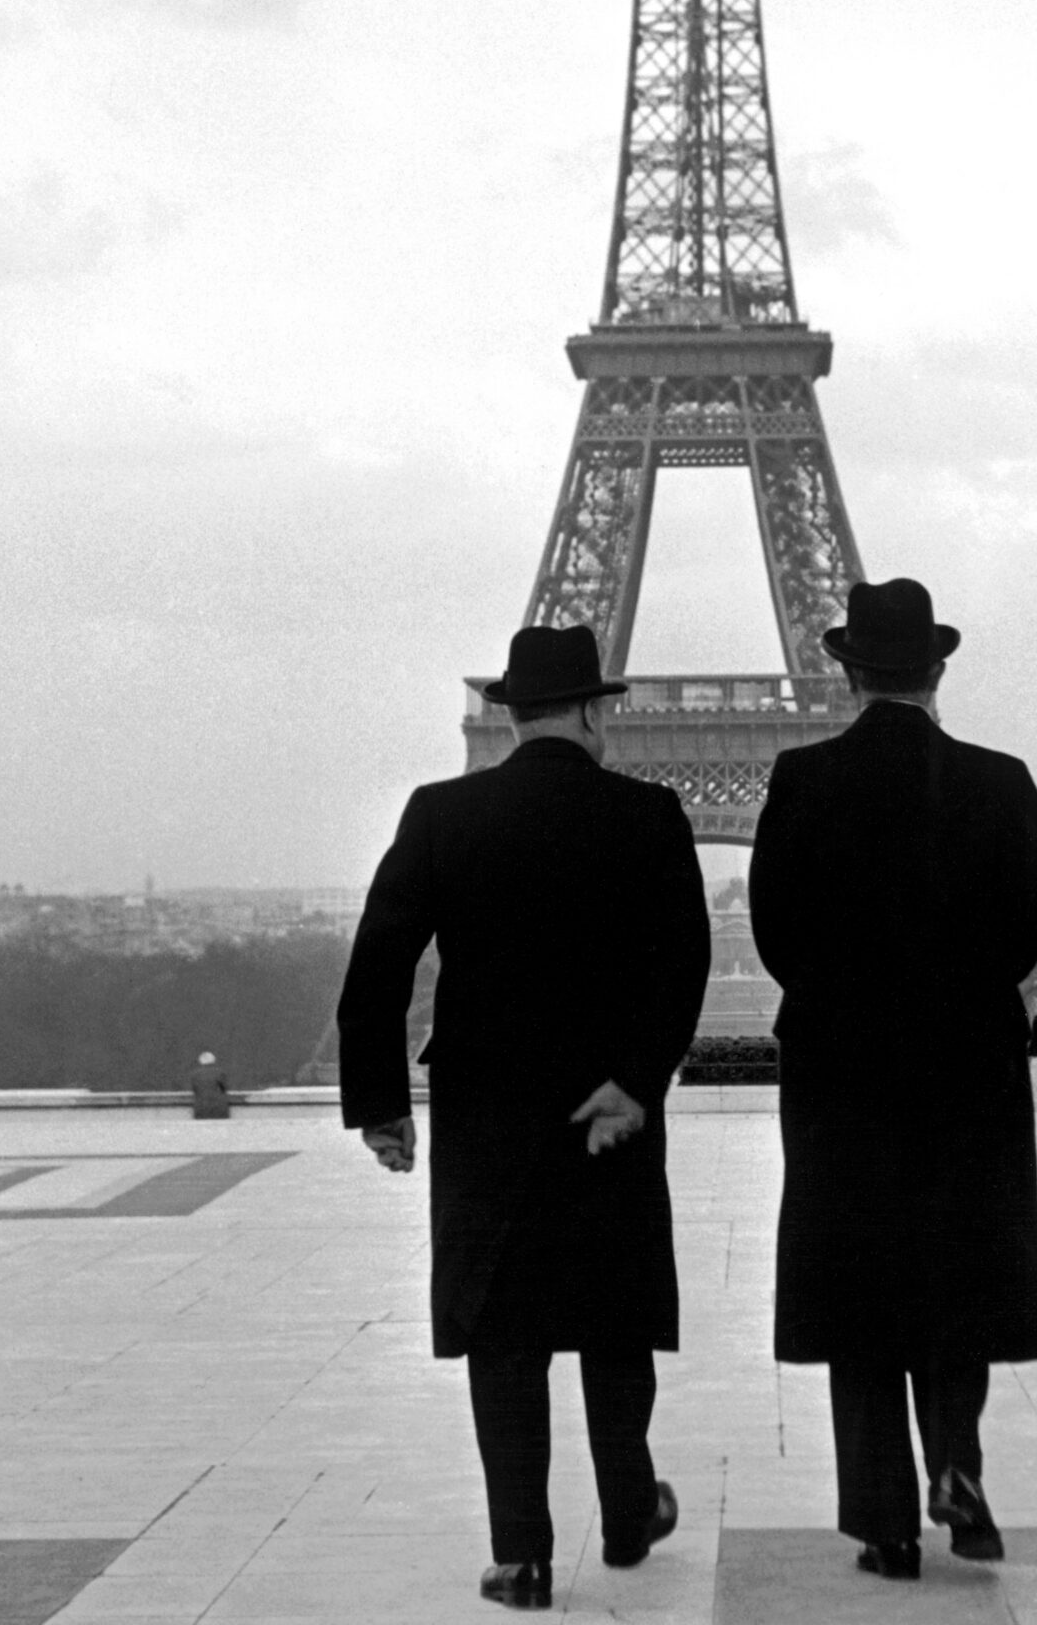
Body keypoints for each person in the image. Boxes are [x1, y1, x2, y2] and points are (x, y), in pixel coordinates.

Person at [337, 624, 711, 1613]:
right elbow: (683, 965)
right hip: (606, 1116)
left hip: (488, 1120)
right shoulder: (649, 812)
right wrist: (635, 1081)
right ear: (595, 710)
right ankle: (629, 1509)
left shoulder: (440, 814)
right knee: (612, 1320)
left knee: (504, 1334)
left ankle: (522, 1554)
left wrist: (380, 1105)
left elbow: (376, 970)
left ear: (506, 712)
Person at [749, 577, 1037, 1582]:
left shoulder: (801, 779)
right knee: (957, 1271)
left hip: (843, 1072)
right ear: (937, 668)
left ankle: (882, 1518)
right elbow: (1020, 933)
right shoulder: (1002, 781)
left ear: (846, 668)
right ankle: (957, 1465)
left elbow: (778, 934)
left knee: (859, 1292)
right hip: (965, 1064)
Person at [189, 1051, 229, 1119]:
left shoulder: (195, 1074)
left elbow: (194, 1089)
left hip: (201, 1107)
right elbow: (225, 1088)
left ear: (200, 1061)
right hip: (218, 1107)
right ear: (213, 1060)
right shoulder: (219, 1073)